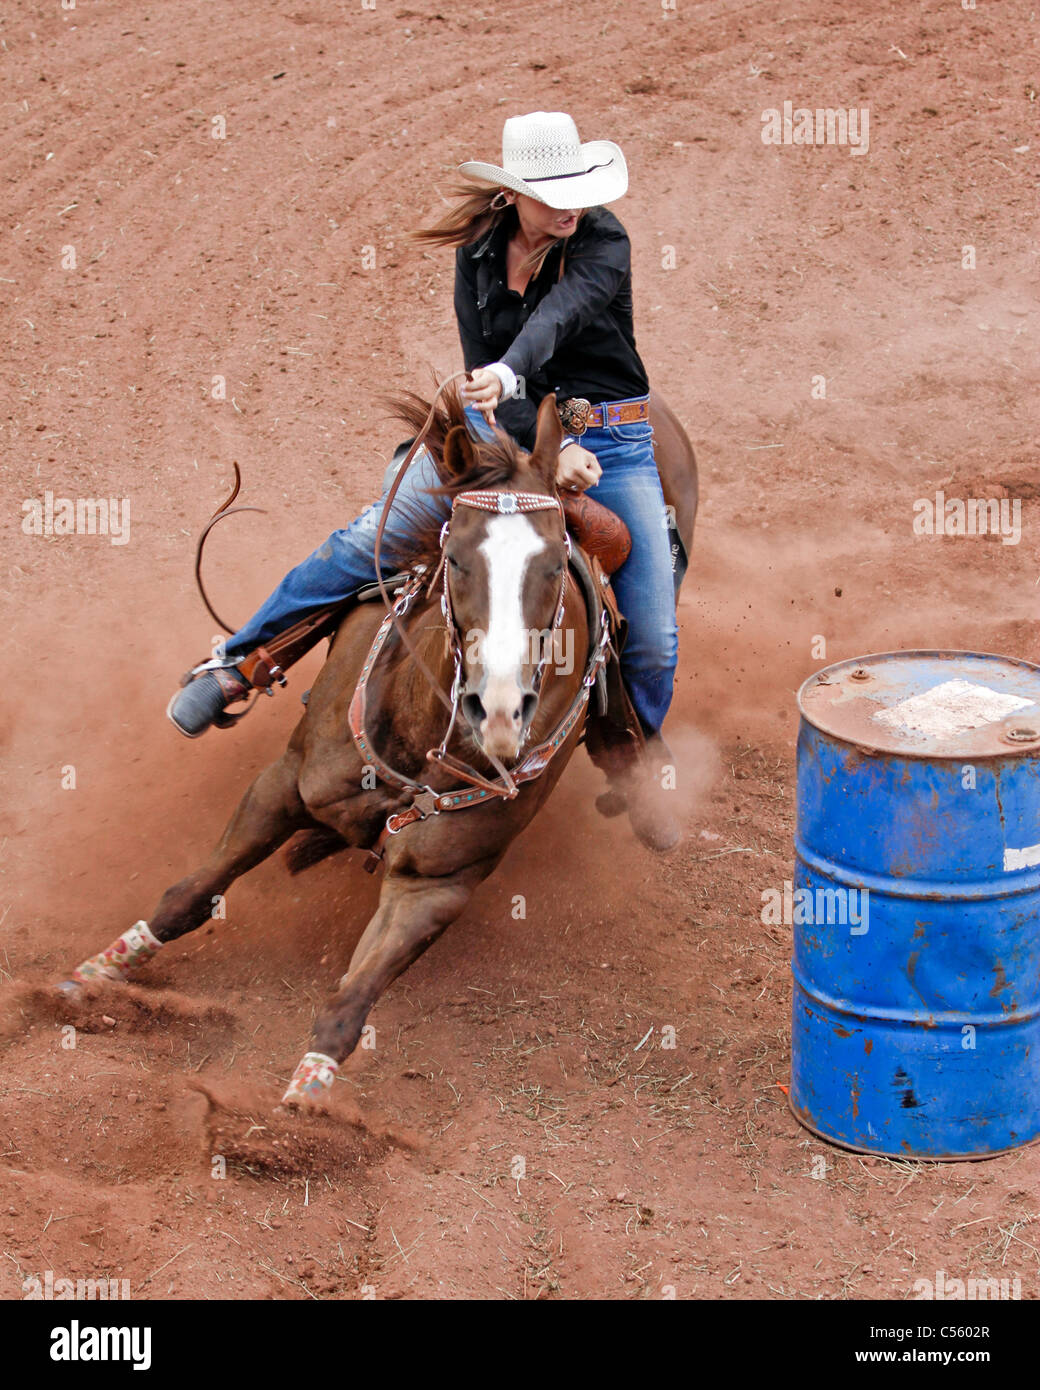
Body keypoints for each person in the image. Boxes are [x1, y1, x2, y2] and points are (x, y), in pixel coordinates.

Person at [167, 111, 680, 849]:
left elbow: (561, 319)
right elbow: (483, 370)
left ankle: (632, 754)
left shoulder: (602, 241)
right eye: (553, 190)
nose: (571, 203)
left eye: (578, 188)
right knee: (369, 540)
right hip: (500, 432)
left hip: (614, 440)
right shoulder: (477, 253)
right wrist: (525, 437)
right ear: (513, 195)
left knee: (654, 637)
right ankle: (242, 662)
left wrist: (519, 384)